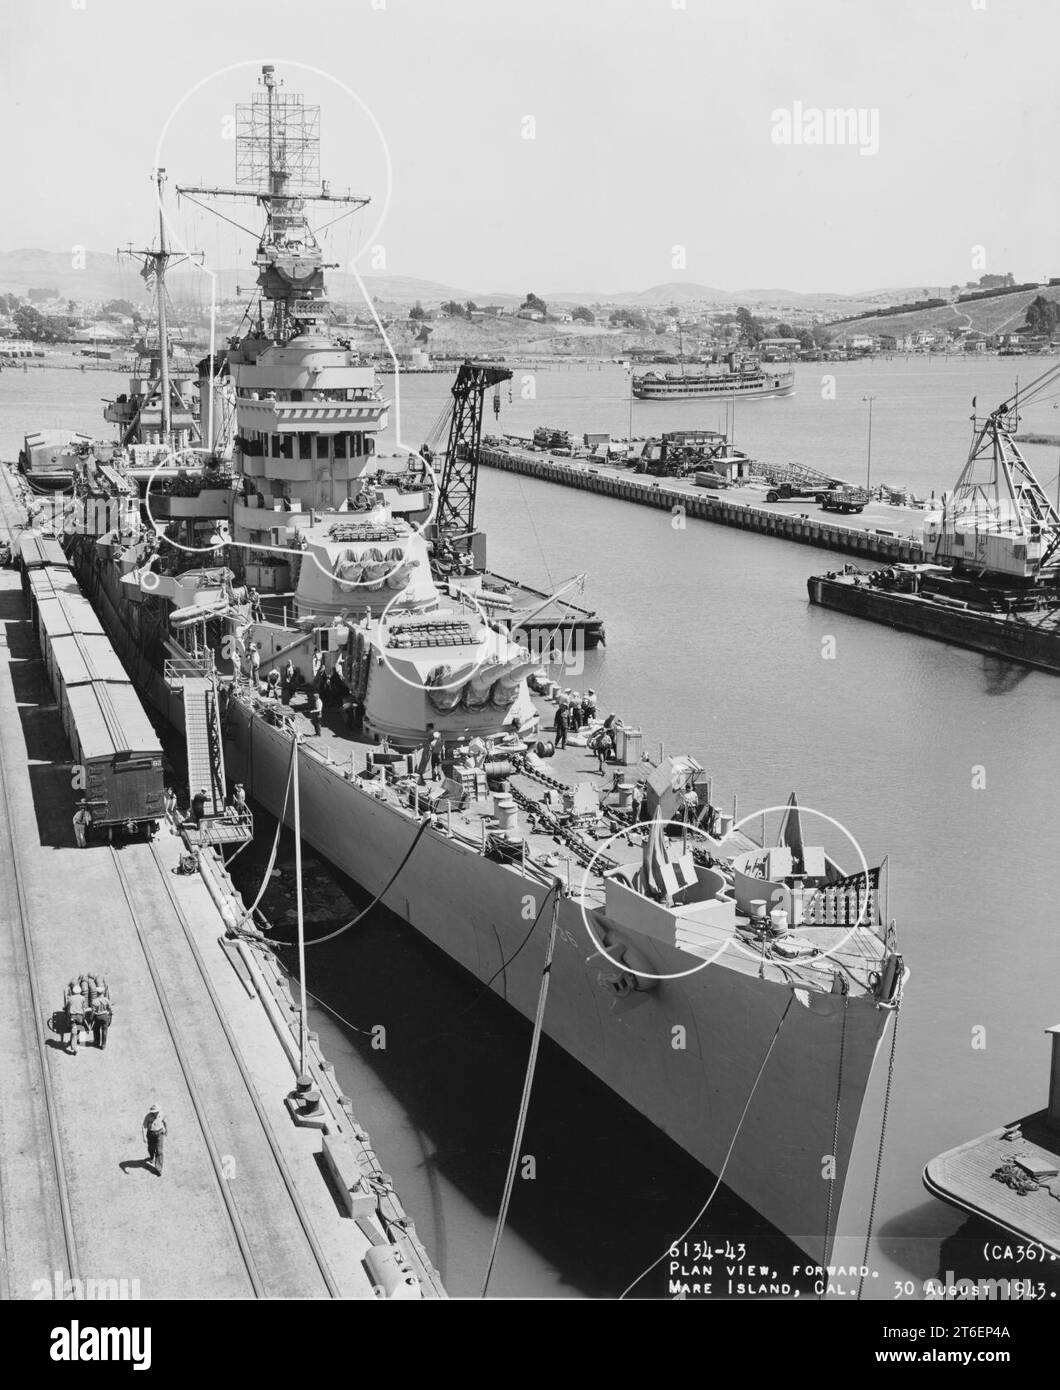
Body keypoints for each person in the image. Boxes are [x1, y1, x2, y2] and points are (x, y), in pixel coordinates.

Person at [142, 1105, 167, 1175]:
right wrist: (144, 1137)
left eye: (156, 1112)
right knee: (151, 1148)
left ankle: (159, 1169)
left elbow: (164, 1122)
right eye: (154, 1112)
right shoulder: (148, 1116)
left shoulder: (161, 1114)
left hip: (160, 1133)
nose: (155, 1113)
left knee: (159, 1151)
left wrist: (166, 1130)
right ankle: (151, 1157)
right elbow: (144, 1126)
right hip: (151, 1134)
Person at [65, 983, 86, 1054]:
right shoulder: (83, 998)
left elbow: (67, 1007)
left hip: (73, 1016)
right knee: (79, 1028)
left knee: (73, 1031)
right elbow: (84, 1007)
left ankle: (74, 1048)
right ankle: (76, 1040)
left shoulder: (70, 998)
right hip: (80, 1017)